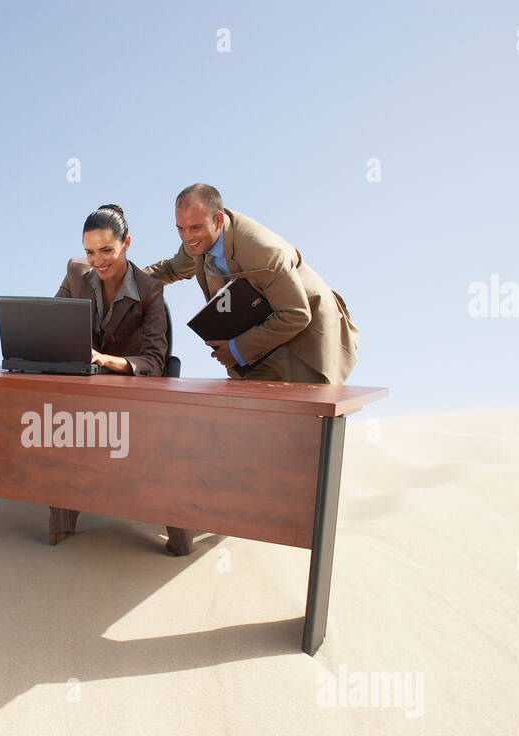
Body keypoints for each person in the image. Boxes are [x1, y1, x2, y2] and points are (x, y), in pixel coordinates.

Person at [48, 204, 195, 556]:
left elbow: (155, 361)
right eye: (89, 251)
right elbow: (54, 324)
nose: (97, 261)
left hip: (135, 399)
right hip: (85, 393)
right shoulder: (75, 274)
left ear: (126, 243)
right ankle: (61, 519)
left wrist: (106, 360)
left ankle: (177, 533)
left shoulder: (150, 291)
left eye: (106, 250)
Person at [142, 183, 359, 384]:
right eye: (180, 228)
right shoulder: (198, 242)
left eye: (195, 228)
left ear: (218, 220)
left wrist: (236, 349)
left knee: (304, 418)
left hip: (306, 337)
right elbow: (171, 269)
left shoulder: (263, 251)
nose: (187, 237)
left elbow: (297, 314)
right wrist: (123, 280)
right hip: (261, 335)